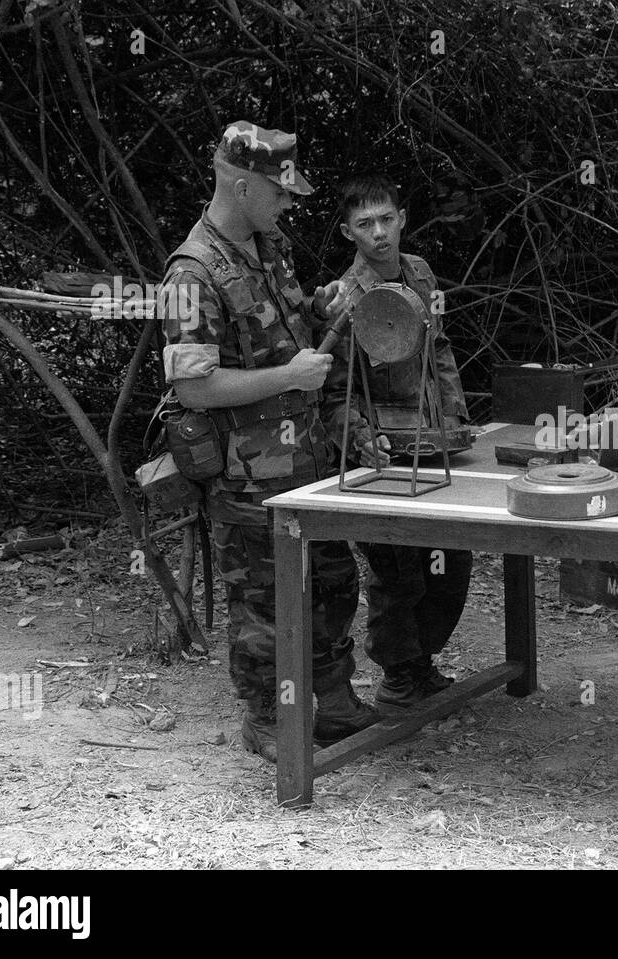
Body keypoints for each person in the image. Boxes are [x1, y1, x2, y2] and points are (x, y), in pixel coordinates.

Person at [160, 121, 379, 762]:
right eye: (280, 192)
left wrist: (317, 306)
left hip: (307, 457)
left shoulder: (268, 244)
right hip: (247, 473)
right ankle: (265, 718)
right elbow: (194, 388)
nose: (289, 203)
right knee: (263, 604)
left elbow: (278, 324)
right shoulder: (191, 273)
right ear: (239, 183)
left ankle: (333, 703)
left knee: (334, 579)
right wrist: (289, 376)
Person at [329, 173, 473, 711]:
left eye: (387, 219)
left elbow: (442, 350)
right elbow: (337, 388)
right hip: (382, 451)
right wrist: (362, 441)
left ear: (402, 218)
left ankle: (420, 660)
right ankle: (397, 673)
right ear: (349, 233)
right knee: (395, 568)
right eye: (365, 224)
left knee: (450, 558)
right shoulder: (346, 298)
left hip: (435, 441)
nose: (380, 233)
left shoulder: (420, 273)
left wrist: (456, 419)